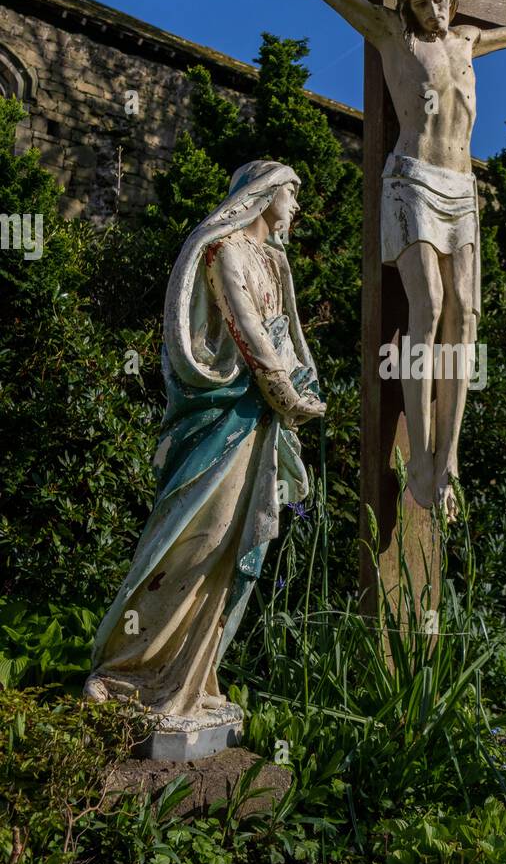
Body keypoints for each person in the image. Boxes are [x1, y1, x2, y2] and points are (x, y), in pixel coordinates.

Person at [212, 0, 506, 520]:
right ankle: (416, 456)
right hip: (413, 176)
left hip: (462, 187)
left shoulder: (468, 40)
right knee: (431, 306)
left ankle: (447, 457)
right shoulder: (391, 35)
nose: (438, 10)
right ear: (410, 4)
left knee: (466, 319)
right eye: (428, 1)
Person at [84, 161, 325, 719]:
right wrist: (286, 394)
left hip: (257, 422)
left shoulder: (273, 262)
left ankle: (190, 681)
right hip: (222, 418)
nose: (295, 206)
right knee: (196, 538)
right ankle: (126, 670)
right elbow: (249, 334)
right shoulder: (228, 251)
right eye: (291, 192)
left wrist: (300, 387)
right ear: (264, 194)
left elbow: (284, 335)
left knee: (234, 548)